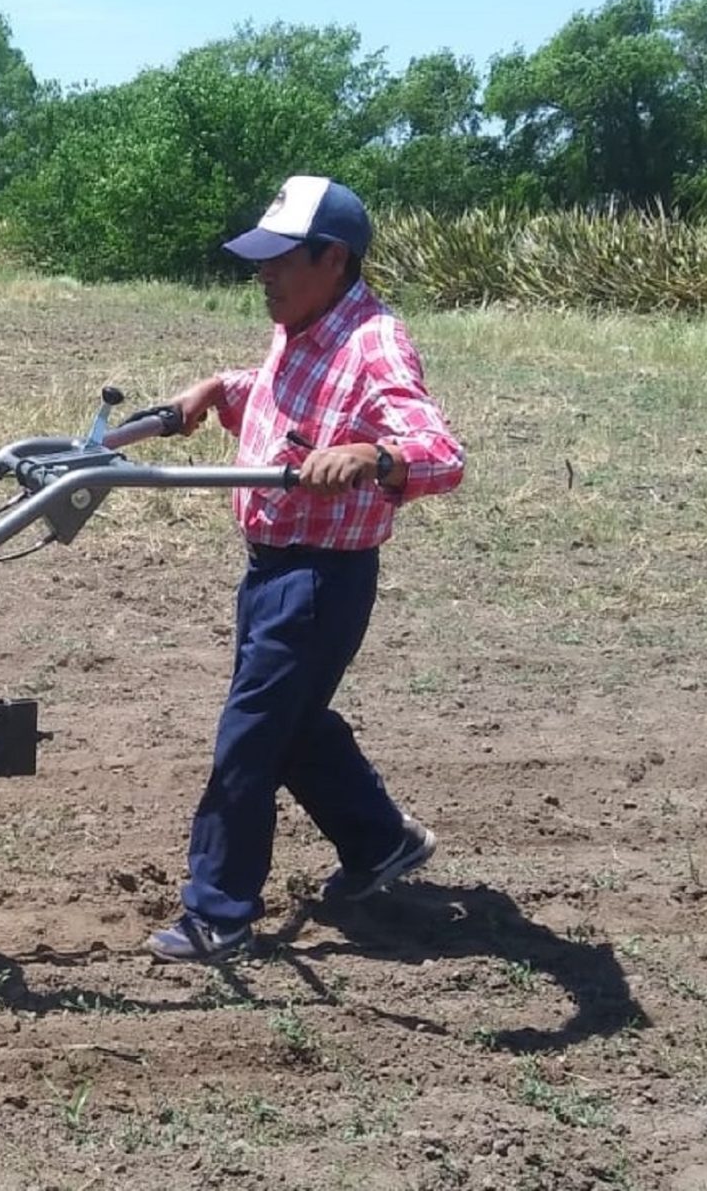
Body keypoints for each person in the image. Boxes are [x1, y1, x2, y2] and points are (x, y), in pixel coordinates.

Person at [134, 175, 466, 963]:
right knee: (290, 722)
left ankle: (219, 912)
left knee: (250, 738)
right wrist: (222, 389)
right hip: (273, 567)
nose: (265, 276)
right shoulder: (305, 324)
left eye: (281, 260)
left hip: (319, 579)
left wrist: (374, 456)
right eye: (262, 261)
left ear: (334, 257)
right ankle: (381, 842)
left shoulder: (374, 340)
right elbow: (289, 401)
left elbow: (441, 454)